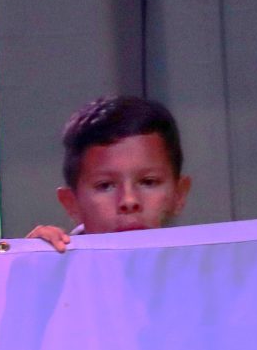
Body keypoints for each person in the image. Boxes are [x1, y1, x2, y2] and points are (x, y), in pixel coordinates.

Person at [27, 95, 190, 251]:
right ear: (71, 203)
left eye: (148, 182)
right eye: (105, 186)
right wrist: (33, 265)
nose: (129, 201)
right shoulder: (52, 271)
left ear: (179, 194)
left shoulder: (204, 270)